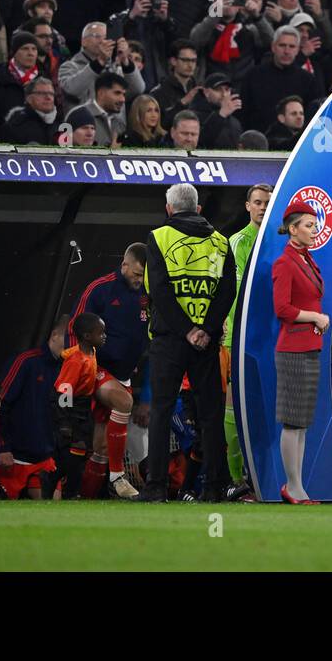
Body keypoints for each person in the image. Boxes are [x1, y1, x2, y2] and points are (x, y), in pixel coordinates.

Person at [138, 183, 236, 503]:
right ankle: (215, 486)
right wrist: (205, 329)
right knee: (210, 414)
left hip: (170, 339)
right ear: (197, 209)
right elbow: (226, 290)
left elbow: (160, 291)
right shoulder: (221, 242)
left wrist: (186, 330)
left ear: (169, 209)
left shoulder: (158, 238)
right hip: (207, 343)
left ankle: (155, 488)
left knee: (162, 412)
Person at [67, 243, 148, 500]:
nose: (139, 280)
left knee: (102, 447)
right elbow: (75, 328)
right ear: (124, 265)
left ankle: (86, 501)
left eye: (143, 276)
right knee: (124, 402)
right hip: (97, 370)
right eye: (136, 274)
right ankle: (117, 476)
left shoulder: (149, 292)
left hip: (123, 374)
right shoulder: (100, 289)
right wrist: (80, 369)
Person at [271, 199, 332, 503]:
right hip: (293, 348)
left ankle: (297, 485)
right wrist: (316, 318)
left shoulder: (307, 259)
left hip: (309, 345)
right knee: (293, 421)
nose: (314, 230)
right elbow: (281, 308)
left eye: (314, 225)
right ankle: (292, 485)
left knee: (302, 422)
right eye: (308, 225)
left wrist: (316, 322)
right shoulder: (285, 263)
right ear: (293, 229)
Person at [221, 183, 272, 497]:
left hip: (267, 339)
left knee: (262, 409)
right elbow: (228, 292)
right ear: (248, 206)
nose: (263, 207)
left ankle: (260, 478)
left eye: (268, 202)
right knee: (232, 408)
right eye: (258, 202)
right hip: (237, 339)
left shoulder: (281, 240)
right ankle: (233, 479)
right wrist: (228, 327)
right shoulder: (236, 243)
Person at [0, 316, 66, 501]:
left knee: (53, 510)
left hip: (46, 457)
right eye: (69, 338)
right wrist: (2, 447)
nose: (73, 345)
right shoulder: (25, 361)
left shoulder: (68, 368)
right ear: (55, 335)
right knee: (2, 516)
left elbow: (66, 413)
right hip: (14, 457)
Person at [54, 312, 105, 499]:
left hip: (84, 407)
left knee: (83, 451)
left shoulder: (92, 352)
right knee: (75, 450)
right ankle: (69, 491)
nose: (104, 336)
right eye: (101, 333)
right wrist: (65, 422)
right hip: (70, 407)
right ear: (87, 336)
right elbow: (64, 390)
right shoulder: (76, 360)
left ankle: (71, 490)